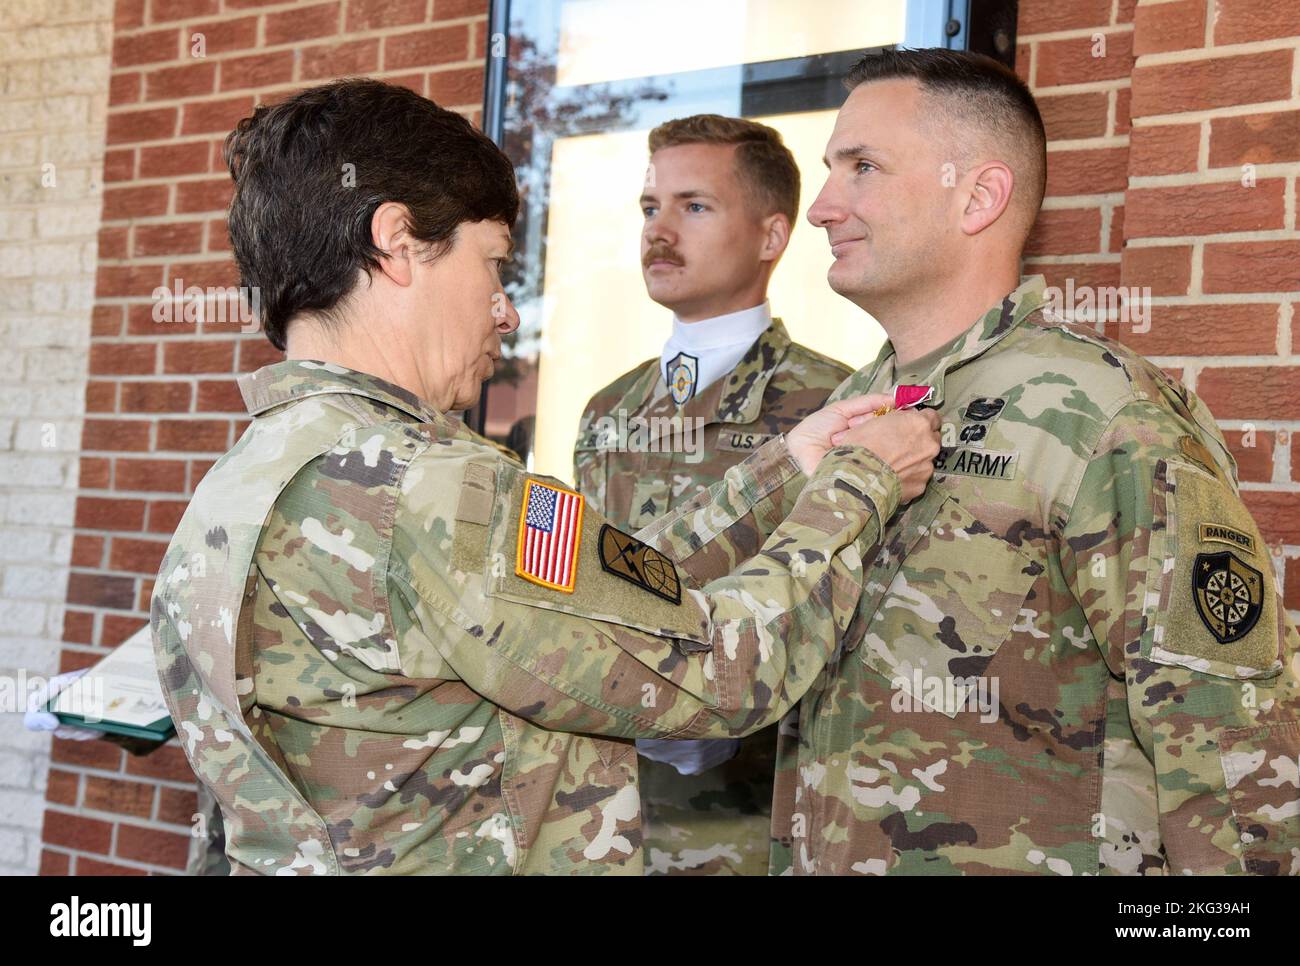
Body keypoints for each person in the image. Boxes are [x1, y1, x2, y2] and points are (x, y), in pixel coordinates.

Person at [149, 78, 942, 875]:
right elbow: (724, 668)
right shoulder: (434, 490)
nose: (506, 310)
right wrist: (857, 485)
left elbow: (600, 591)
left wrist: (781, 472)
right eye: (492, 265)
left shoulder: (245, 480)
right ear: (395, 243)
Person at [744, 47, 1298, 875]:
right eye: (831, 169)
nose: (822, 206)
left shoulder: (1105, 416)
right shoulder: (853, 410)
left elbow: (1234, 758)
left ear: (979, 197)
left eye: (862, 167)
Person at [574, 114, 852, 876]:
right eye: (649, 207)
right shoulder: (608, 410)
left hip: (760, 823)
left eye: (693, 206)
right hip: (611, 821)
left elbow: (855, 620)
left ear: (771, 237)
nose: (660, 230)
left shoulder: (833, 403)